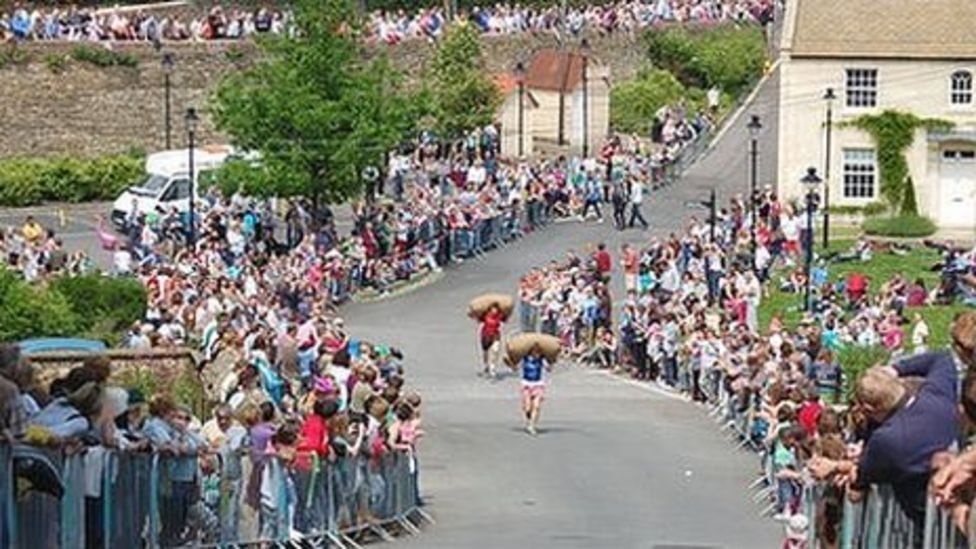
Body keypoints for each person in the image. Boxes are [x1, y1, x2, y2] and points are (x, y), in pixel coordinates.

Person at [518, 344, 552, 436]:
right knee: (528, 408)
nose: (537, 353)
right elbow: (516, 367)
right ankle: (529, 417)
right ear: (531, 351)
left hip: (538, 384)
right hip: (526, 384)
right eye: (535, 351)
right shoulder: (524, 359)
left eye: (539, 352)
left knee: (536, 406)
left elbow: (549, 368)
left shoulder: (542, 360)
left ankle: (532, 426)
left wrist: (550, 364)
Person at [479, 304, 505, 378]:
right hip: (485, 335)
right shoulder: (485, 315)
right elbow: (476, 316)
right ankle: (486, 365)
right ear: (490, 309)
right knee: (485, 352)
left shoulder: (500, 316)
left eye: (496, 309)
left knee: (495, 351)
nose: (495, 311)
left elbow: (504, 319)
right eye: (493, 309)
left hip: (495, 336)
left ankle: (492, 367)